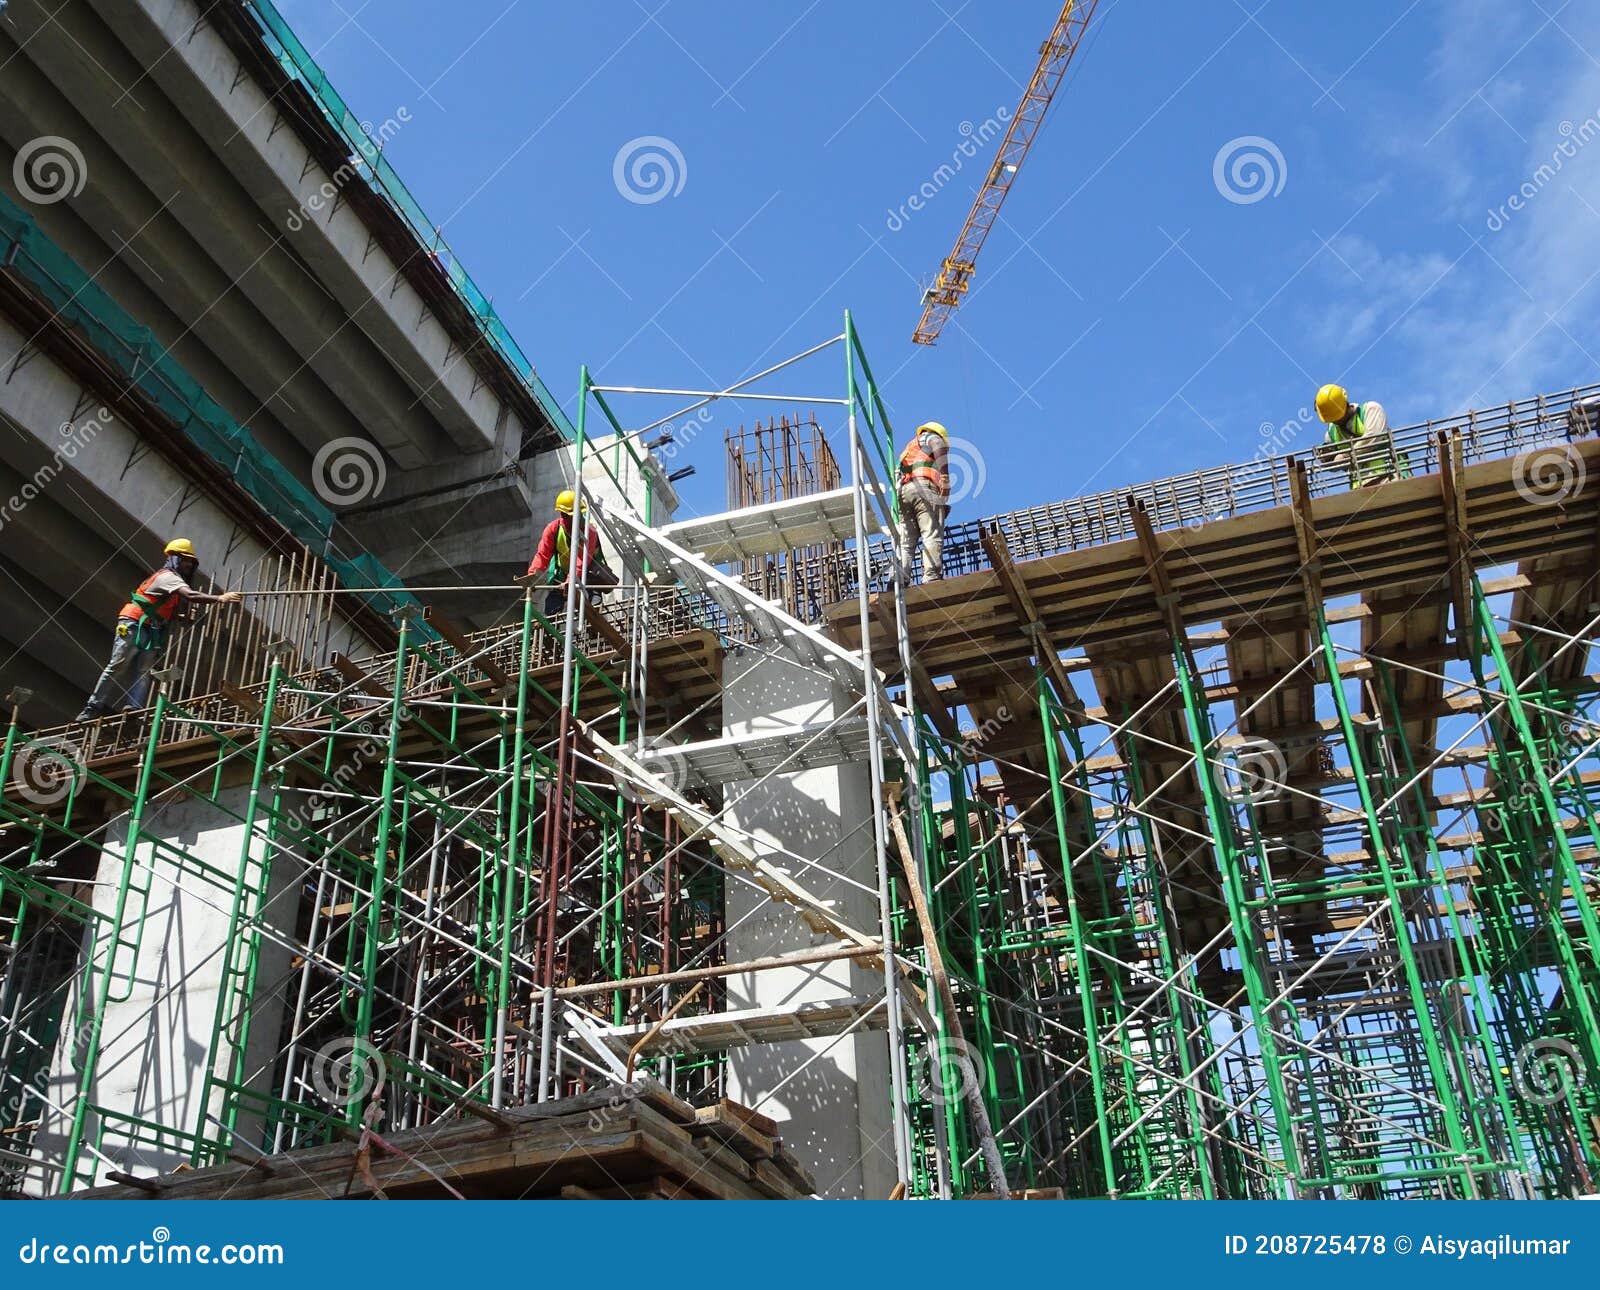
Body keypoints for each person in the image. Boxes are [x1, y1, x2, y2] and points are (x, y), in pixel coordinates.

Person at [76, 538, 242, 722]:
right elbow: (191, 595)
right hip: (134, 623)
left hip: (153, 629)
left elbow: (167, 608)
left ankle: (134, 708)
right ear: (174, 559)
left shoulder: (175, 583)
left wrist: (182, 616)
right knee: (118, 665)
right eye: (184, 560)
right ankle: (93, 707)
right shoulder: (167, 577)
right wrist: (220, 598)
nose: (188, 564)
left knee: (144, 670)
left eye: (190, 562)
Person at [527, 490, 617, 619]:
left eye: (570, 514)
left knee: (593, 606)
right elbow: (543, 555)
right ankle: (551, 633)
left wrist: (570, 581)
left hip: (589, 576)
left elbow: (581, 561)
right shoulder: (553, 529)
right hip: (562, 576)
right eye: (565, 514)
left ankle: (592, 630)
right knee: (552, 611)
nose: (567, 518)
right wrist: (533, 575)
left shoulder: (589, 531)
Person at [1315, 384, 1403, 488]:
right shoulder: (1331, 434)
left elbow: (1372, 438)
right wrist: (1328, 460)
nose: (1335, 421)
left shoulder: (1371, 409)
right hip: (1360, 488)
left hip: (1390, 477)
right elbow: (1339, 465)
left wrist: (1344, 456)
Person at [898, 420, 950, 582]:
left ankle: (898, 579)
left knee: (906, 541)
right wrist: (945, 478)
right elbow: (937, 443)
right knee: (931, 533)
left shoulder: (908, 449)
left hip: (904, 492)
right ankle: (931, 576)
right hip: (923, 487)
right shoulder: (931, 437)